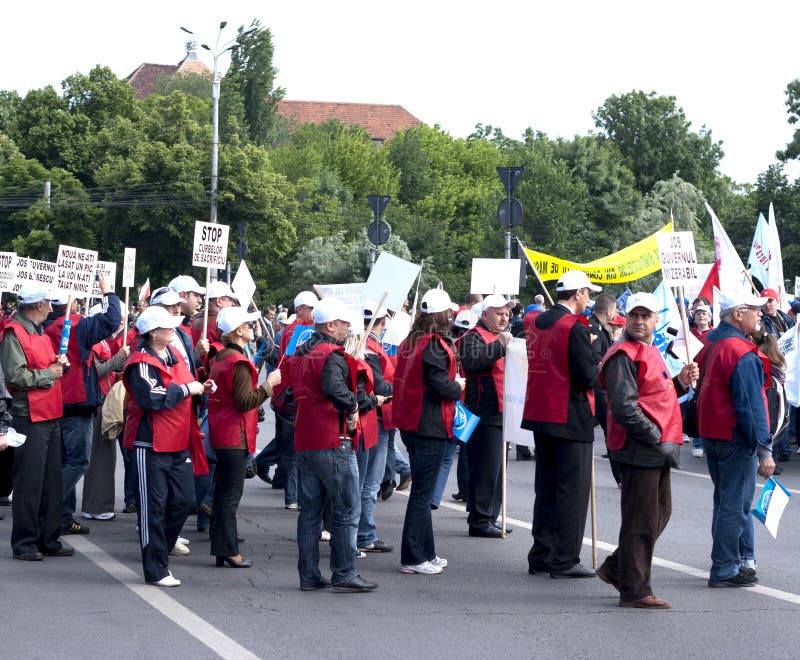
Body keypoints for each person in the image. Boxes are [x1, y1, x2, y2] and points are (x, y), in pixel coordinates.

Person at [595, 292, 698, 609]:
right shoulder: (623, 354)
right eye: (635, 316)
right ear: (626, 318)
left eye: (646, 316)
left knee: (659, 513)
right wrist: (653, 435)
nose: (640, 321)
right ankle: (635, 589)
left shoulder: (648, 350)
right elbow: (625, 408)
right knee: (642, 519)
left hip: (655, 446)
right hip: (640, 447)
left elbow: (656, 395)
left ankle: (617, 567)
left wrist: (680, 381)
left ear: (656, 319)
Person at [123, 306, 215, 587]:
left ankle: (161, 550)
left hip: (177, 438)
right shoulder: (140, 361)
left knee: (184, 500)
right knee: (153, 507)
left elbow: (184, 388)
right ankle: (156, 568)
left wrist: (201, 386)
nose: (174, 329)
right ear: (152, 333)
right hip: (149, 442)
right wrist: (190, 389)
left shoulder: (174, 355)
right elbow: (152, 397)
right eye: (167, 326)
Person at [292, 296, 377, 592]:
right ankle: (344, 571)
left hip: (306, 436)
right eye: (343, 323)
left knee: (311, 511)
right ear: (331, 324)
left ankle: (309, 574)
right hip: (331, 437)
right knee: (346, 508)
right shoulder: (331, 354)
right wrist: (354, 406)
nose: (349, 327)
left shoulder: (302, 351)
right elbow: (334, 389)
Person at [521, 270, 601, 579]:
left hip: (541, 411)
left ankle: (541, 554)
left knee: (547, 488)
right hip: (569, 413)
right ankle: (564, 559)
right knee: (573, 491)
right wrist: (594, 351)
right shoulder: (575, 327)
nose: (589, 299)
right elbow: (587, 376)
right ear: (578, 293)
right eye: (587, 293)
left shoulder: (534, 321)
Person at [695, 289, 775, 588]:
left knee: (726, 503)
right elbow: (753, 406)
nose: (760, 313)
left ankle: (737, 561)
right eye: (754, 309)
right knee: (734, 505)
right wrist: (765, 449)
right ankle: (725, 567)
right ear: (738, 314)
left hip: (713, 432)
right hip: (734, 436)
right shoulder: (740, 351)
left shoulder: (713, 343)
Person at [394, 289, 465, 575]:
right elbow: (439, 385)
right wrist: (458, 386)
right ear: (443, 315)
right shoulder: (433, 345)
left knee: (422, 492)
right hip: (429, 424)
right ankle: (413, 557)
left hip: (414, 422)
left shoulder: (411, 341)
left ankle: (426, 552)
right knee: (422, 494)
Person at [44, 275, 122, 535]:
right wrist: (107, 291)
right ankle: (48, 506)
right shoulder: (74, 324)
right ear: (71, 303)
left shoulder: (40, 327)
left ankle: (62, 517)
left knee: (64, 460)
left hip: (53, 400)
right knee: (77, 461)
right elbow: (112, 320)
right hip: (76, 400)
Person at [0, 286, 71, 560]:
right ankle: (25, 542)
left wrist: (57, 364)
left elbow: (42, 368)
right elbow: (15, 377)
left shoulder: (38, 331)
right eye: (47, 303)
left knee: (52, 482)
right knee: (30, 483)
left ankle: (48, 538)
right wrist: (49, 372)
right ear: (36, 305)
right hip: (29, 414)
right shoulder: (14, 333)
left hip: (50, 411)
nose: (52, 308)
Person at [207, 306, 281, 568]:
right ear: (238, 331)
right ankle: (227, 549)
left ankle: (222, 547)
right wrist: (268, 386)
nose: (253, 329)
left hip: (225, 432)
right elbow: (244, 401)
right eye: (249, 326)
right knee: (229, 495)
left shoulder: (221, 357)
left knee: (223, 493)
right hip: (233, 435)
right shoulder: (236, 361)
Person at [459, 293, 514, 538]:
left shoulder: (502, 337)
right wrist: (500, 344)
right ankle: (480, 519)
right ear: (485, 314)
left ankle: (491, 516)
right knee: (485, 467)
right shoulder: (472, 336)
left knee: (497, 468)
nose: (505, 318)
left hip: (504, 410)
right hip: (484, 411)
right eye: (499, 313)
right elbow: (473, 362)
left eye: (506, 313)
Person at [272, 291, 318, 511]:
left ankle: (294, 494)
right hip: (292, 394)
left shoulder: (299, 329)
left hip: (291, 393)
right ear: (300, 309)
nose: (314, 312)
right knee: (293, 447)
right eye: (310, 308)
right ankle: (293, 496)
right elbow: (293, 363)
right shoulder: (297, 331)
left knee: (291, 445)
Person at [357, 300, 393, 553]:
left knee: (366, 480)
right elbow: (380, 387)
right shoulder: (369, 348)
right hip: (375, 415)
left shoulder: (366, 345)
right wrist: (403, 384)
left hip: (374, 415)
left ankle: (362, 532)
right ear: (382, 321)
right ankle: (364, 533)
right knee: (370, 481)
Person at [588, 294, 620, 486]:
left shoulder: (600, 328)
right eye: (615, 309)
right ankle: (621, 477)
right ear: (609, 310)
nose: (615, 313)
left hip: (600, 388)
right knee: (612, 431)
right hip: (599, 390)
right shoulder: (595, 328)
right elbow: (596, 358)